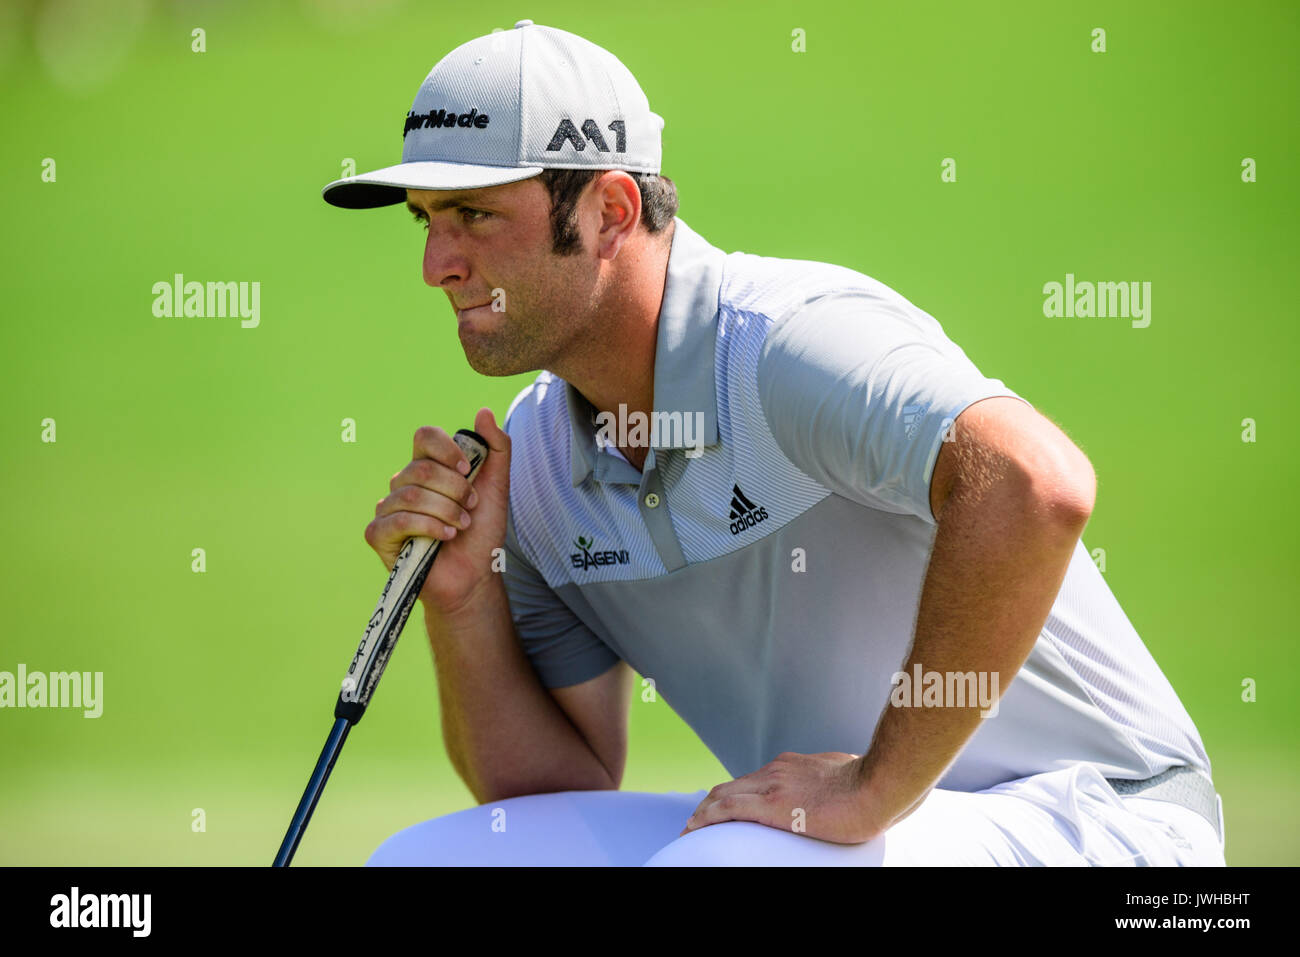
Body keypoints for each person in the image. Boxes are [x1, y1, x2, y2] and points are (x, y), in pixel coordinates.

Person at [322, 20, 1225, 866]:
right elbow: (543, 797)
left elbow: (1035, 482)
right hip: (858, 844)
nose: (436, 264)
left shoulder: (786, 344)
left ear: (609, 207)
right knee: (437, 860)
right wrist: (460, 599)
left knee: (731, 864)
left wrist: (874, 790)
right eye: (426, 218)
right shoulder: (539, 469)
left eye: (474, 214)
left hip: (1115, 823)